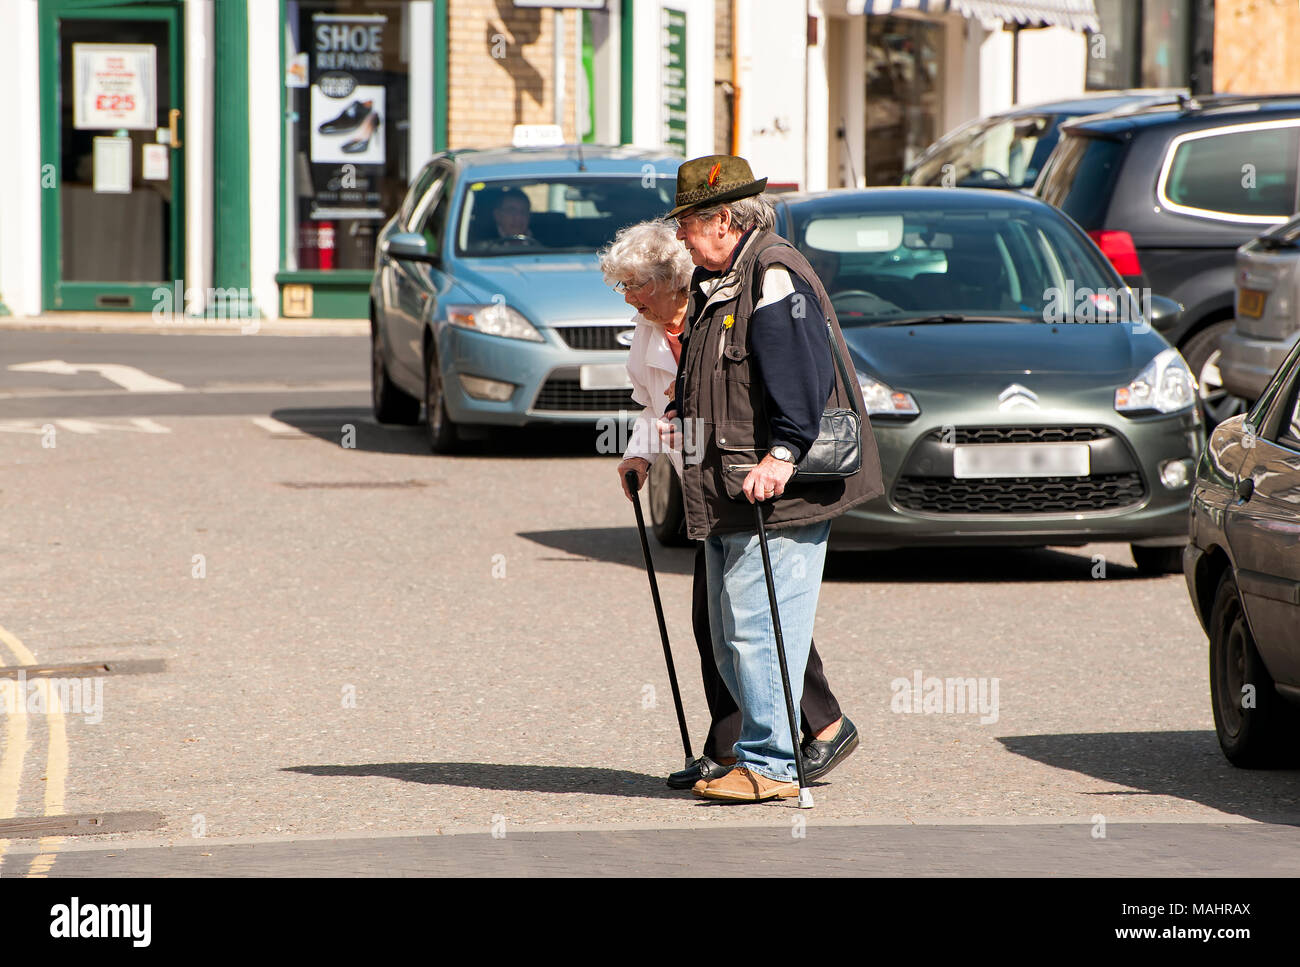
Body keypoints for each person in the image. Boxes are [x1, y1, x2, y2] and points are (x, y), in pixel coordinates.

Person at [601, 221, 858, 792]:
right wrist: (640, 456)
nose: (629, 299)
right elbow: (660, 404)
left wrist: (784, 452)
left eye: (635, 286)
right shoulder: (654, 329)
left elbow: (787, 382)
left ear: (669, 279)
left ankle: (760, 752)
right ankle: (770, 741)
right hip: (707, 486)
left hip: (746, 483)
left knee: (752, 620)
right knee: (732, 621)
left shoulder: (727, 297)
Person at [664, 155, 885, 802]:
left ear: (724, 219)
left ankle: (771, 766)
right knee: (736, 629)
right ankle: (758, 755)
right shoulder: (728, 275)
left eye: (688, 224)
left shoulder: (772, 272)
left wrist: (784, 454)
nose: (681, 237)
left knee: (762, 629)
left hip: (775, 492)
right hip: (731, 486)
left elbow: (803, 376)